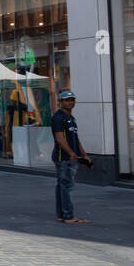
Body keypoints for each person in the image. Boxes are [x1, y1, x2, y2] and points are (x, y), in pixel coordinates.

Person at [51, 90, 93, 224]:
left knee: (62, 186)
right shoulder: (58, 117)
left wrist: (84, 154)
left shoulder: (71, 118)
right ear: (60, 102)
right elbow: (59, 137)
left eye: (72, 100)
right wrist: (71, 153)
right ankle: (68, 216)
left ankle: (62, 215)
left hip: (71, 156)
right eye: (67, 100)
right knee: (66, 186)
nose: (70, 102)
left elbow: (75, 138)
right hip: (64, 158)